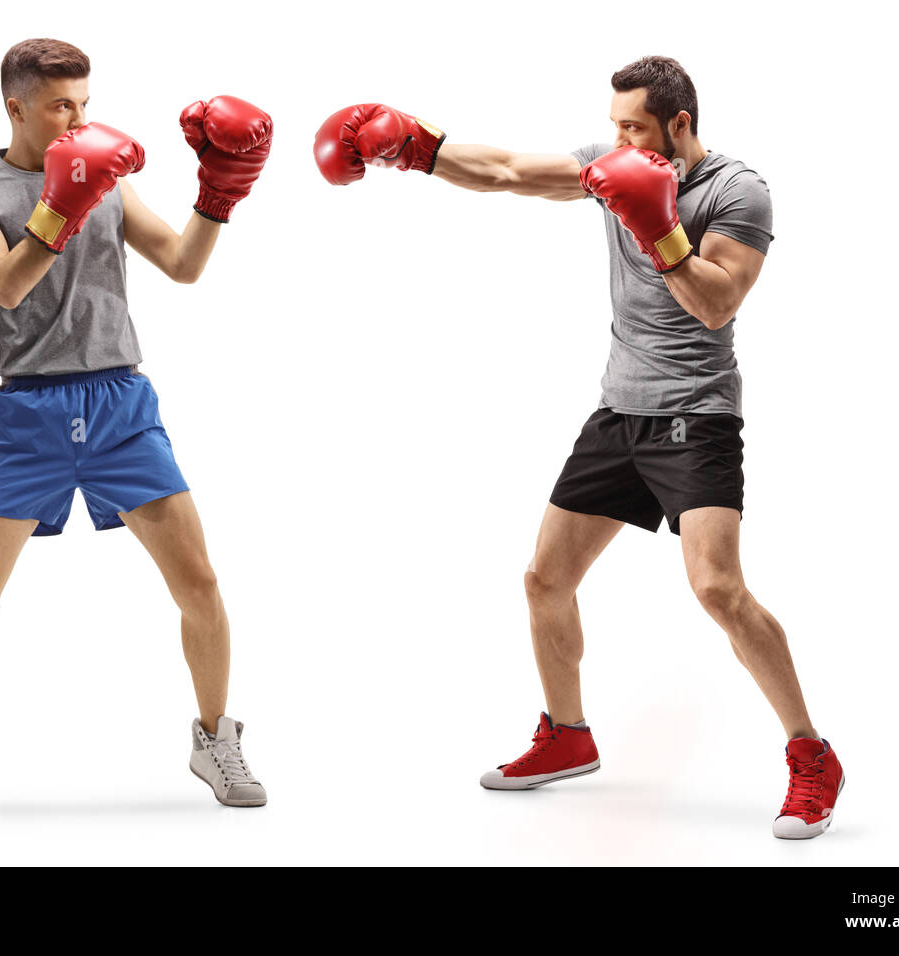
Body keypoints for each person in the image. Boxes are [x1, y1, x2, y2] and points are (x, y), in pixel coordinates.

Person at [313, 55, 844, 839]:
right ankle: (567, 736)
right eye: (615, 127)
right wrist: (417, 148)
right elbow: (503, 172)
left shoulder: (739, 191)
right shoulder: (611, 165)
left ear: (681, 124)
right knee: (544, 577)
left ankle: (812, 756)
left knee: (717, 590)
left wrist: (659, 229)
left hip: (695, 417)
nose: (621, 141)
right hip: (617, 412)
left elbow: (717, 303)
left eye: (635, 127)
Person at [0, 38, 272, 815]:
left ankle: (216, 739)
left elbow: (182, 263)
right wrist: (59, 204)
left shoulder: (104, 177)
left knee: (200, 583)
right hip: (30, 412)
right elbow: (4, 285)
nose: (77, 118)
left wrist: (217, 195)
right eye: (61, 105)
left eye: (85, 104)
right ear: (18, 107)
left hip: (121, 408)